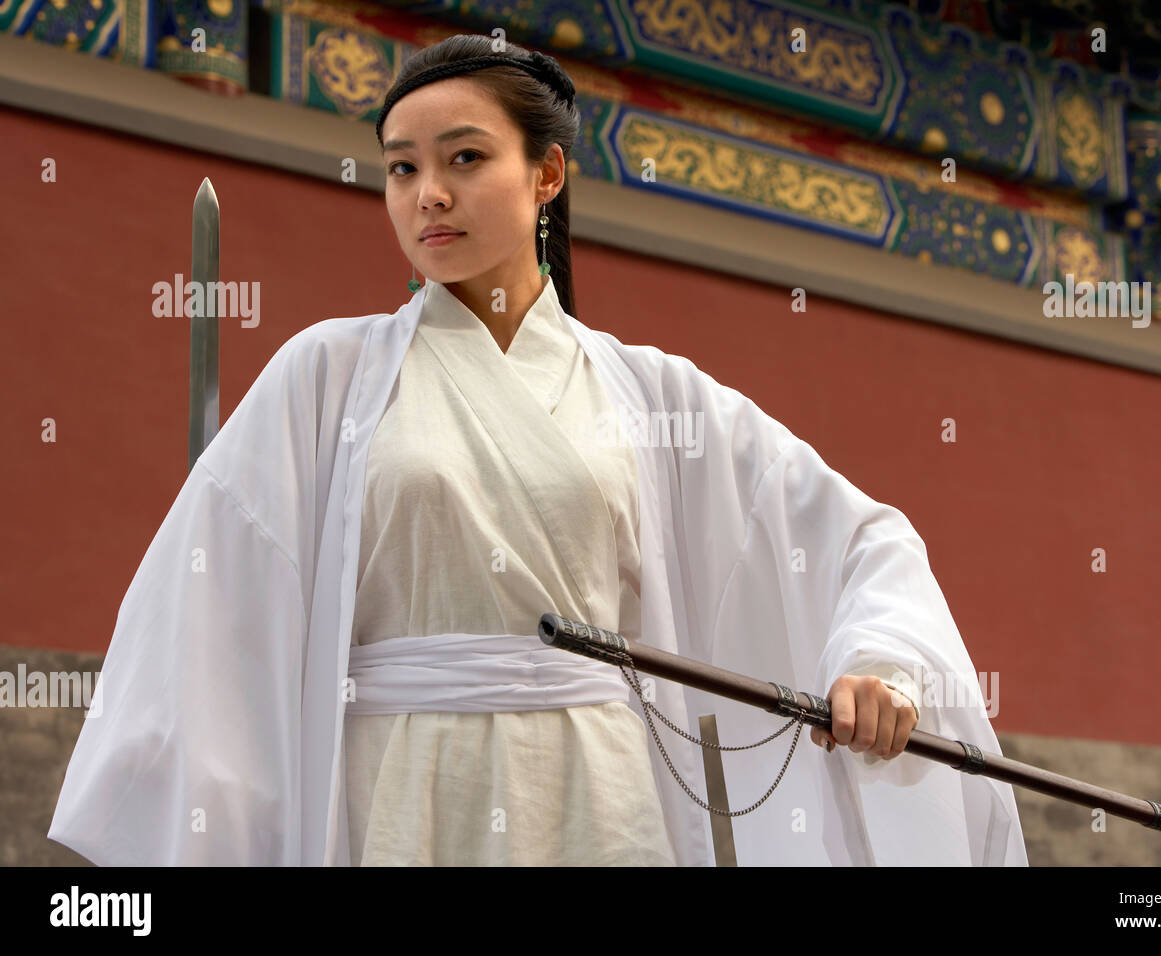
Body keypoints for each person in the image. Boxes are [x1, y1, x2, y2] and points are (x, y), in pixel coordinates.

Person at [47, 35, 1028, 866]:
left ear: (546, 174)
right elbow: (211, 600)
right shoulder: (326, 376)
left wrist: (880, 663)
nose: (428, 194)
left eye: (464, 159)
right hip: (397, 780)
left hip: (601, 790)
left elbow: (860, 539)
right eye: (401, 167)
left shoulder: (652, 394)